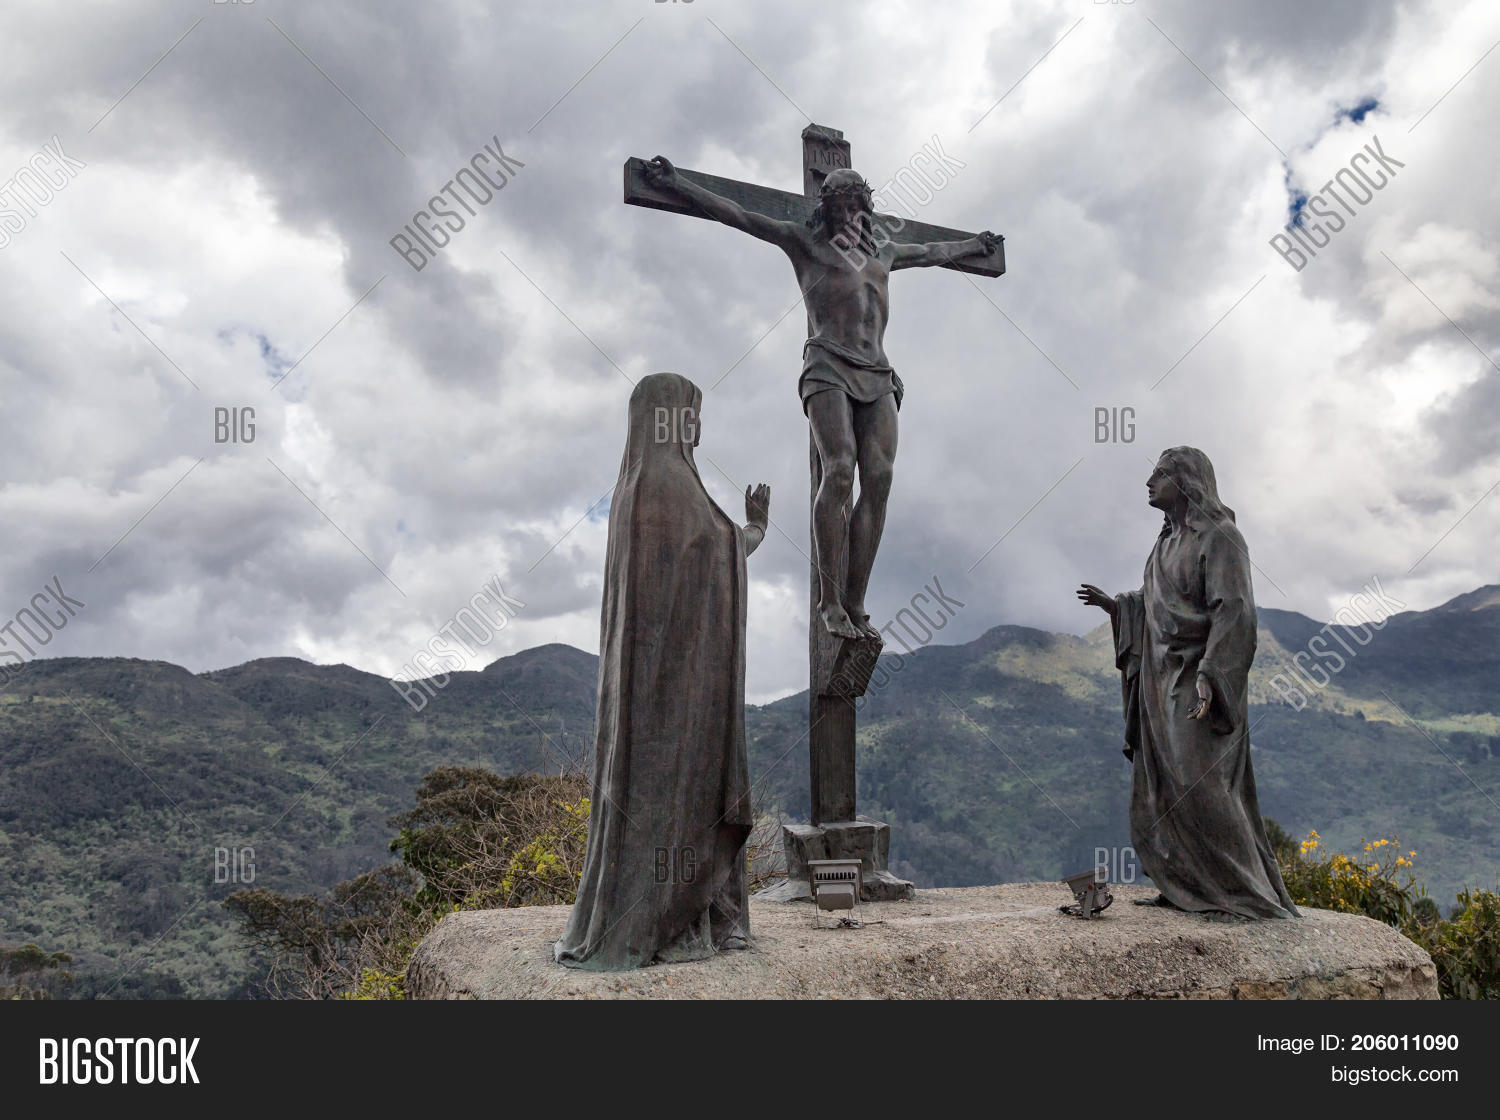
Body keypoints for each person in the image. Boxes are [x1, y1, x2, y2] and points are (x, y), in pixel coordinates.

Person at [642, 156, 999, 642]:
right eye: (841, 208)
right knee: (839, 470)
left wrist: (975, 245)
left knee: (880, 477)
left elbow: (935, 249)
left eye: (858, 208)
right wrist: (678, 182)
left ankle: (855, 600)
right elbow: (740, 215)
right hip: (827, 365)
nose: (851, 217)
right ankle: (829, 602)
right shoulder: (804, 243)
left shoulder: (884, 252)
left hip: (878, 373)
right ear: (826, 210)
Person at [555, 372, 771, 969]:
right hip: (679, 702)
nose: (697, 428)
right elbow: (717, 552)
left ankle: (677, 917)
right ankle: (671, 922)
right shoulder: (673, 484)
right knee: (683, 803)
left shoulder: (630, 489)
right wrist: (753, 529)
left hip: (644, 702)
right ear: (672, 417)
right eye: (692, 414)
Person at [1076, 447, 1298, 919]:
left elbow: (1234, 610)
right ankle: (1186, 883)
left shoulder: (1221, 538)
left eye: (1160, 473)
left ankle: (1245, 895)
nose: (1149, 481)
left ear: (1187, 481)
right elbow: (1153, 604)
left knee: (1204, 784)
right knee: (1164, 783)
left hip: (1197, 682)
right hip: (1159, 681)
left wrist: (1212, 675)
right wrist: (1118, 608)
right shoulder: (1163, 544)